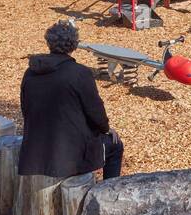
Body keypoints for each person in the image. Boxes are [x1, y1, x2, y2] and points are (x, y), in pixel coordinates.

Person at [18, 20, 123, 180]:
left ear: (49, 42)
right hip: (70, 156)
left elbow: (26, 109)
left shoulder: (31, 72)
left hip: (35, 150)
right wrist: (105, 129)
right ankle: (108, 192)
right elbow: (95, 112)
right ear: (74, 44)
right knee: (115, 146)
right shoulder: (79, 73)